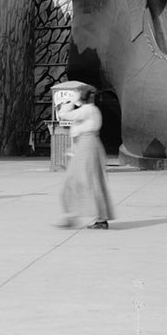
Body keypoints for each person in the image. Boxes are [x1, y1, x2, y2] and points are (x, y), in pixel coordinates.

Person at [56, 88, 115, 230]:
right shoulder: (90, 110)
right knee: (79, 180)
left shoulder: (88, 110)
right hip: (85, 145)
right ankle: (74, 215)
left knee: (87, 180)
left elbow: (63, 115)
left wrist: (69, 103)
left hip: (88, 145)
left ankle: (90, 217)